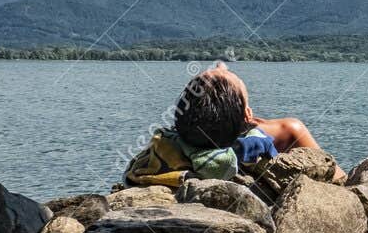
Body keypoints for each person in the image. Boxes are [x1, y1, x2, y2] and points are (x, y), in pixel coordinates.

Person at [123, 62, 346, 188]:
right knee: (293, 127)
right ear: (246, 118)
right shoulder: (262, 141)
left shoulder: (164, 143)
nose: (221, 65)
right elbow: (336, 177)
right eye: (225, 73)